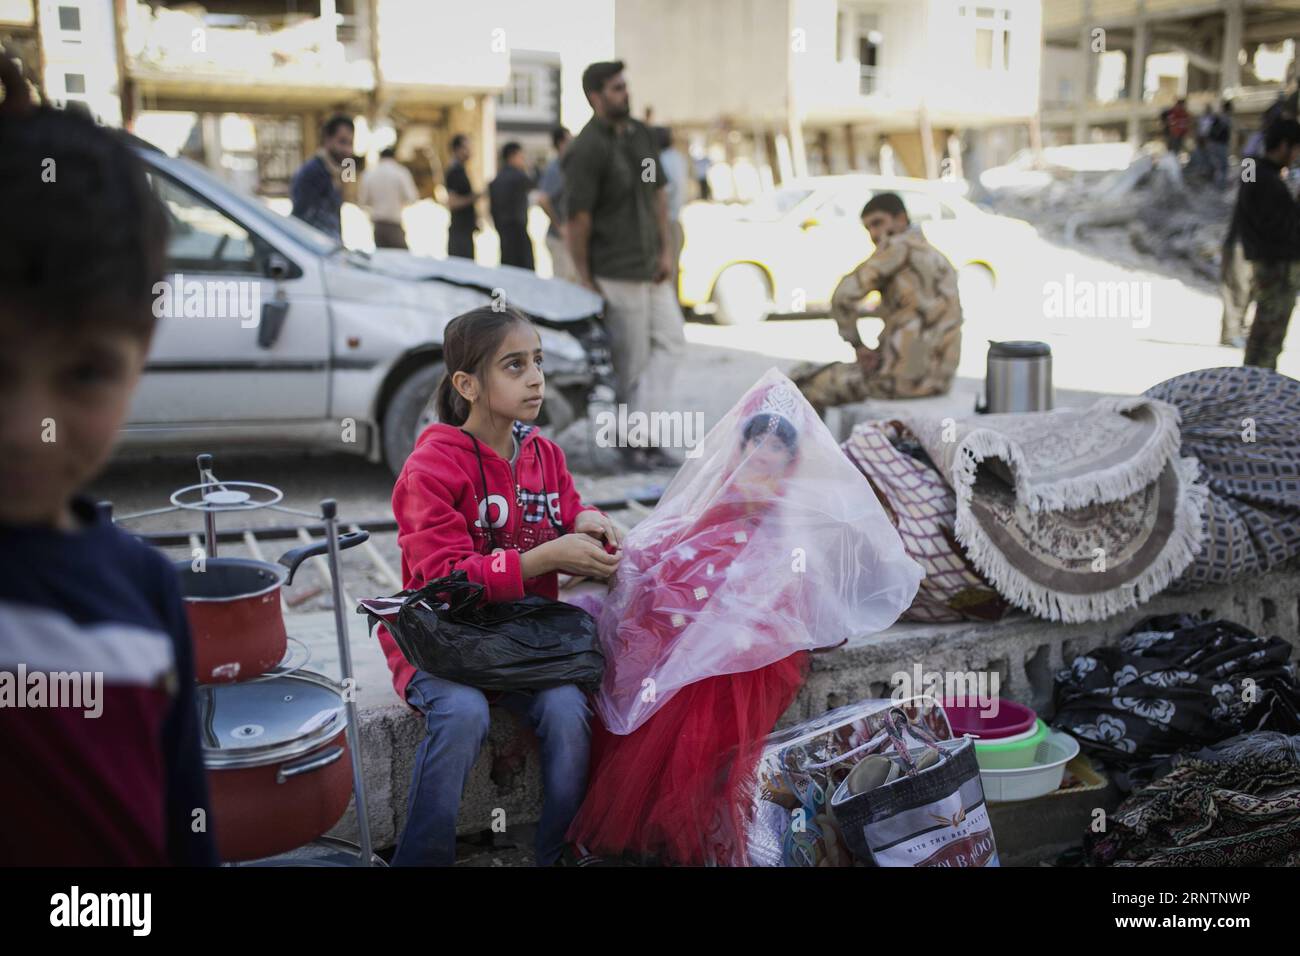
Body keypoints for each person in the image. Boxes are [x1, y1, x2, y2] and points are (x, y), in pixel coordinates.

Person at [0, 59, 216, 866]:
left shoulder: (146, 592)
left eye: (86, 373)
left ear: (141, 360)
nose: (26, 431)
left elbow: (186, 830)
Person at [566, 372, 920, 864]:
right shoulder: (721, 495)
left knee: (704, 685)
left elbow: (800, 582)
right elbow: (687, 540)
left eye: (777, 445)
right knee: (663, 659)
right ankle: (650, 836)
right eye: (756, 440)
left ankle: (683, 831)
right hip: (714, 617)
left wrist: (741, 613)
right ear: (741, 445)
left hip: (755, 643)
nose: (764, 453)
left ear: (791, 458)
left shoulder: (796, 510)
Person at [379, 306, 623, 867]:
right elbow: (443, 581)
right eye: (514, 366)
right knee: (464, 713)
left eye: (537, 361)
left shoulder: (543, 454)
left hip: (523, 641)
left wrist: (587, 521)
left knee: (567, 710)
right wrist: (542, 559)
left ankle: (557, 853)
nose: (535, 378)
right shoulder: (429, 469)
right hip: (440, 641)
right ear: (467, 385)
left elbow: (568, 508)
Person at [564, 61, 686, 470]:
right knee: (629, 363)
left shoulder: (640, 135)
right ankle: (632, 445)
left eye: (624, 86)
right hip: (614, 269)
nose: (625, 93)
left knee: (671, 342)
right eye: (616, 88)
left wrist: (665, 251)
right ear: (595, 96)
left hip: (652, 266)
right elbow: (577, 219)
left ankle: (643, 435)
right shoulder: (587, 149)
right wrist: (584, 277)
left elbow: (657, 196)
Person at [792, 192, 963, 413]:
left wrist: (858, 345)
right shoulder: (938, 256)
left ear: (901, 219)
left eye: (878, 223)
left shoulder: (897, 247)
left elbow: (842, 297)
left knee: (802, 383)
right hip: (940, 381)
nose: (874, 234)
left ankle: (810, 437)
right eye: (868, 228)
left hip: (899, 381)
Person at [1237, 119, 1300, 369]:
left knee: (1263, 330)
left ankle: (1253, 377)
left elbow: (1246, 179)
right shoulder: (1264, 176)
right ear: (1284, 145)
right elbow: (1280, 225)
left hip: (1260, 255)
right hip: (1276, 264)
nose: (1296, 156)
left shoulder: (1257, 170)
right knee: (1269, 334)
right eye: (1296, 149)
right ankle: (1259, 379)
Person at [291, 114, 353, 240]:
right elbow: (302, 219)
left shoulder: (334, 171)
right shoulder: (312, 172)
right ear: (327, 139)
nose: (347, 150)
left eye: (350, 143)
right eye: (342, 142)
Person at [359, 145, 419, 249]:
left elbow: (363, 201)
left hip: (378, 224)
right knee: (400, 256)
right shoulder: (400, 172)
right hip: (394, 222)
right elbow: (412, 198)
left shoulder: (369, 174)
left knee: (383, 256)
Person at [488, 141, 536, 271]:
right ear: (512, 156)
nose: (523, 160)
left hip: (504, 233)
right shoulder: (518, 176)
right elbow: (534, 184)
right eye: (521, 156)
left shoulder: (497, 180)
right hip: (518, 231)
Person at [538, 126, 577, 281]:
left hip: (566, 237)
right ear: (561, 143)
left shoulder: (567, 166)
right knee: (564, 282)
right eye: (570, 140)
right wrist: (559, 227)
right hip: (559, 238)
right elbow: (543, 200)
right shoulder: (556, 169)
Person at [656, 125, 689, 285]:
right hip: (675, 218)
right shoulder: (677, 158)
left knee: (668, 270)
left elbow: (665, 189)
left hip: (668, 219)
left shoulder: (661, 160)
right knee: (673, 267)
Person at [445, 133, 479, 260]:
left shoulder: (461, 170)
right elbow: (452, 202)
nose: (469, 151)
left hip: (465, 229)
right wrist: (473, 198)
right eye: (466, 148)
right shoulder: (454, 172)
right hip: (459, 231)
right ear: (457, 149)